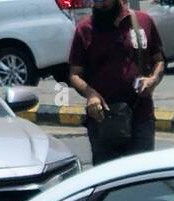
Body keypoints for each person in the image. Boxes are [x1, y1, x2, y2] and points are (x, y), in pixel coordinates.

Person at [68, 0, 165, 166]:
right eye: (96, 1)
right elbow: (74, 74)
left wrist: (153, 80)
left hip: (140, 116)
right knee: (106, 177)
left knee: (141, 174)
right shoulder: (85, 29)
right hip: (103, 119)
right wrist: (91, 94)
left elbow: (159, 60)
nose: (101, 5)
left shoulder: (143, 22)